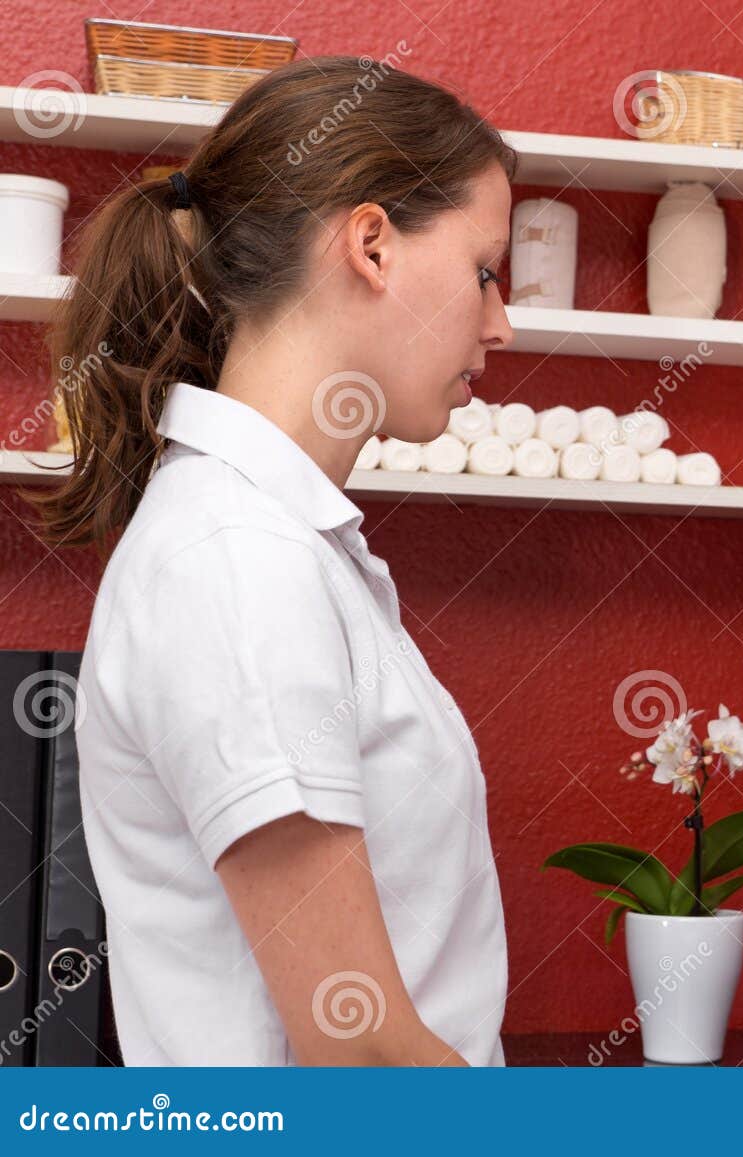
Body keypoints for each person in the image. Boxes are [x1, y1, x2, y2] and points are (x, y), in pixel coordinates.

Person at [30, 56, 516, 1065]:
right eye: (482, 269)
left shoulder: (279, 542)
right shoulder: (236, 560)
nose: (500, 320)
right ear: (372, 244)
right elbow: (361, 1051)